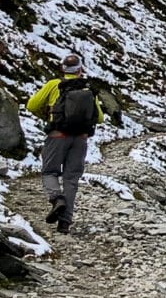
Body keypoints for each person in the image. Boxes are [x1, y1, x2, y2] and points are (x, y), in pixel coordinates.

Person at [25, 52, 124, 233]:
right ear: (80, 70)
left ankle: (57, 198)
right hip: (80, 139)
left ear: (63, 68)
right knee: (71, 179)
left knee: (49, 172)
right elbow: (99, 118)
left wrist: (48, 116)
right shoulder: (87, 90)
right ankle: (65, 223)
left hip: (57, 135)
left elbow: (31, 105)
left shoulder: (54, 85)